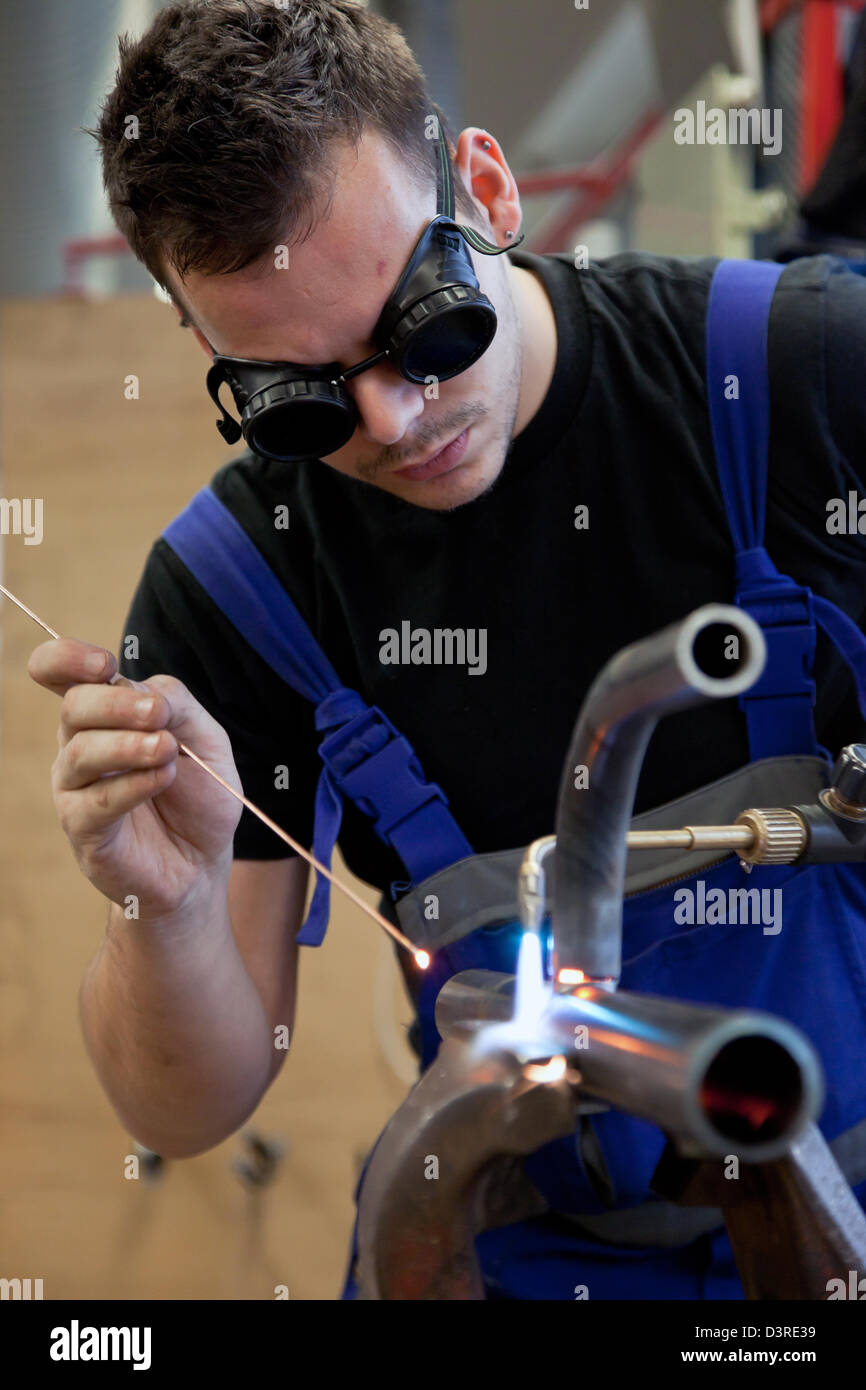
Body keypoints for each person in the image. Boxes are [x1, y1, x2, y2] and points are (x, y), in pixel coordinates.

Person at [27, 0, 866, 1299]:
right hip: (520, 1244)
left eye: (422, 325)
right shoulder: (234, 588)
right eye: (296, 398)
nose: (393, 414)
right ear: (204, 347)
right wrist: (167, 903)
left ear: (485, 186)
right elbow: (183, 1108)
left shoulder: (801, 375)